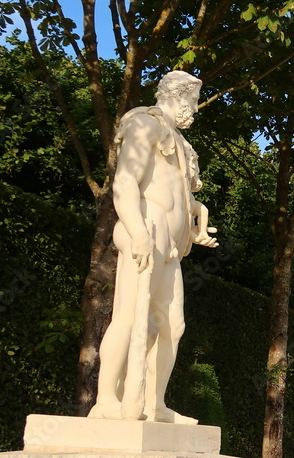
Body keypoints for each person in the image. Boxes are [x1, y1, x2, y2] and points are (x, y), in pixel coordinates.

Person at [88, 70, 218, 424]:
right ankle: (106, 401)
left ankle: (153, 403)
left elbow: (176, 192)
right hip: (146, 229)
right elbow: (127, 180)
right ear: (177, 96)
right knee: (129, 317)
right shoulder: (146, 124)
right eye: (192, 102)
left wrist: (195, 216)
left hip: (171, 244)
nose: (194, 110)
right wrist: (137, 230)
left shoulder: (178, 141)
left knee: (171, 325)